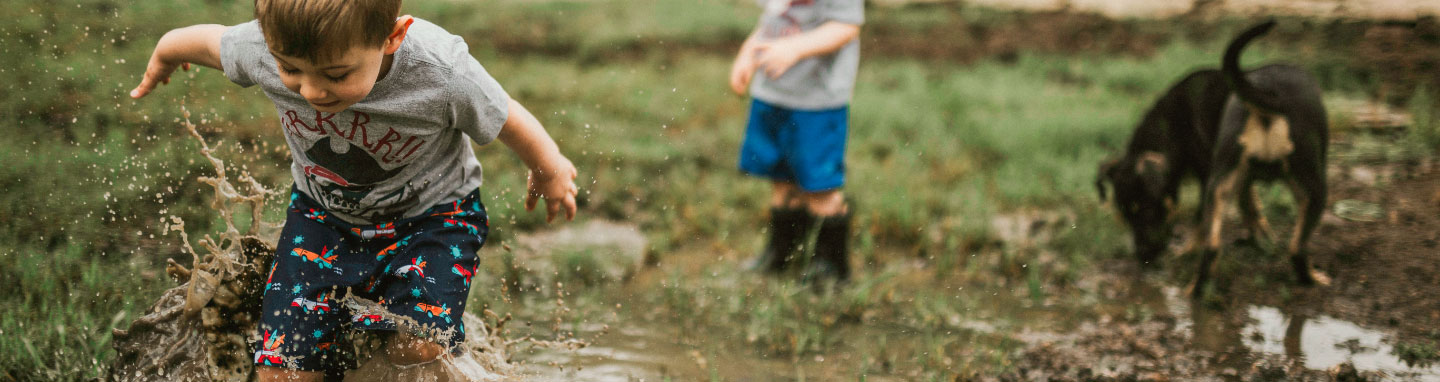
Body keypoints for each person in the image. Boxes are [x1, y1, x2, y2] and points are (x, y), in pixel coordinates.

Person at [129, 0, 579, 379]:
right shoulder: (265, 47)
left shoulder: (441, 71)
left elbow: (506, 115)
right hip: (322, 218)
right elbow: (205, 41)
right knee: (282, 363)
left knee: (421, 348)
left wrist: (549, 168)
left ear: (393, 36)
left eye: (336, 74)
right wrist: (165, 54)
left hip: (436, 218)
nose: (311, 91)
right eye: (291, 70)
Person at [729, 0, 863, 283]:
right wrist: (747, 54)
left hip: (816, 102)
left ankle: (830, 264)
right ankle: (782, 253)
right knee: (780, 177)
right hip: (773, 94)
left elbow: (846, 27)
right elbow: (771, 22)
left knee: (819, 184)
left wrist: (795, 48)